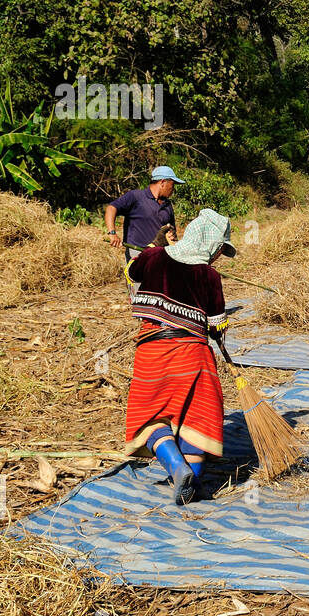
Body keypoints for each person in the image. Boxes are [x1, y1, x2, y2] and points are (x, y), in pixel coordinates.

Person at [123, 209, 236, 504]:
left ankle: (175, 466)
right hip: (194, 356)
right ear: (212, 244)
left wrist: (153, 246)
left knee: (149, 415)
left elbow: (131, 272)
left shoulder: (156, 256)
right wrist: (216, 331)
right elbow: (217, 325)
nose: (217, 256)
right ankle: (193, 485)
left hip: (153, 352)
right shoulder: (209, 275)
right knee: (198, 416)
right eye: (220, 250)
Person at [105, 166, 184, 295]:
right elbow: (111, 208)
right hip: (138, 254)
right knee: (140, 294)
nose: (173, 189)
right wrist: (112, 233)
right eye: (172, 184)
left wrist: (172, 237)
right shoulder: (136, 196)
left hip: (160, 256)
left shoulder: (167, 205)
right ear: (162, 182)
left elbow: (171, 231)